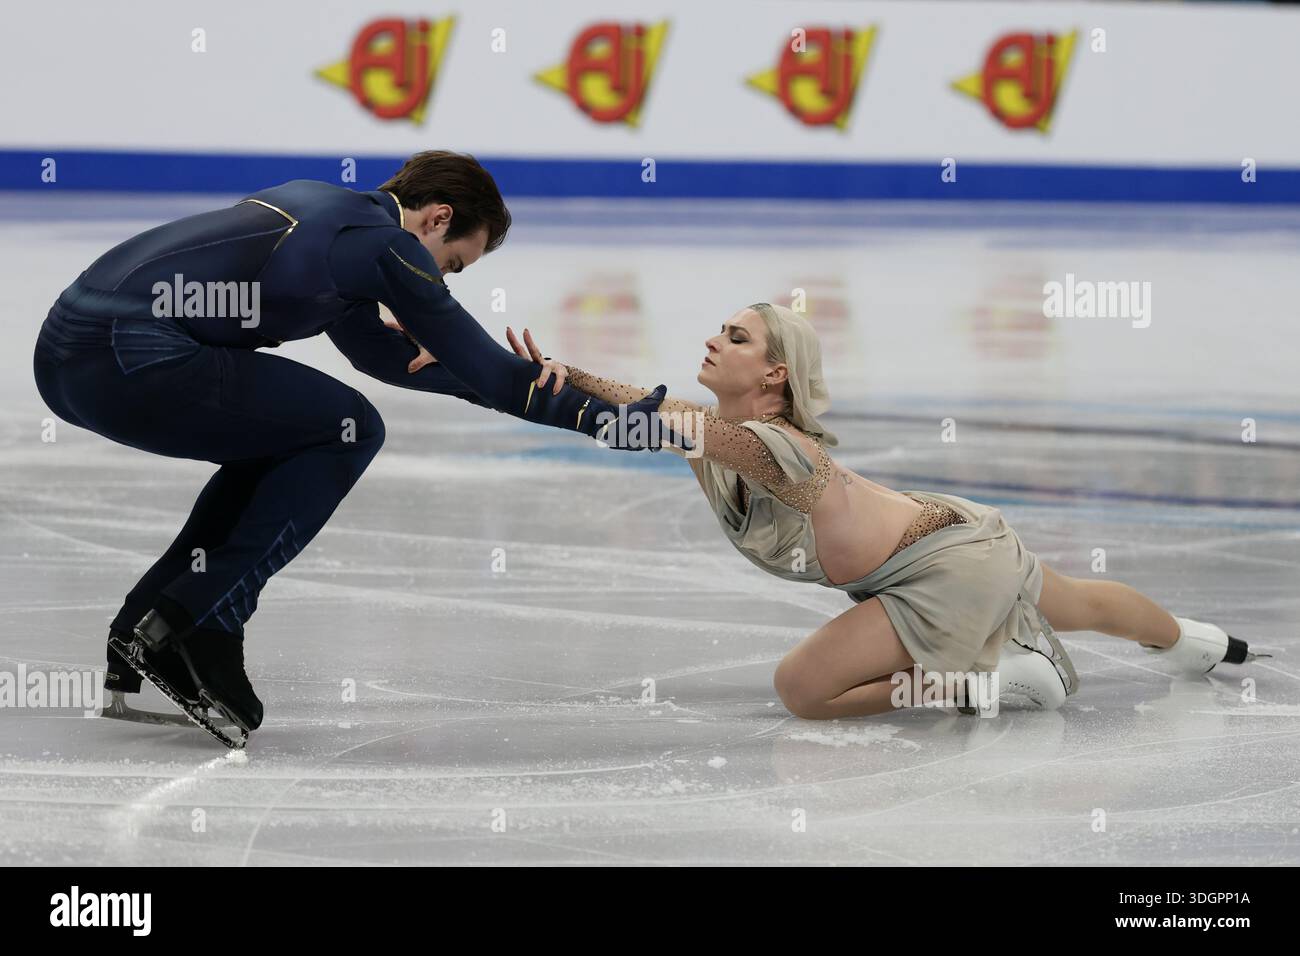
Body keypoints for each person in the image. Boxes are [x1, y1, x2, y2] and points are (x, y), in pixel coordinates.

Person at [32, 151, 675, 746]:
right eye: (452, 264)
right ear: (438, 217)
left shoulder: (324, 210)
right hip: (132, 357)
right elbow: (477, 364)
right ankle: (201, 618)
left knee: (293, 436)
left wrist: (520, 385)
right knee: (350, 429)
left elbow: (391, 357)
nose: (440, 277)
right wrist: (602, 421)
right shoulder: (383, 246)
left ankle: (152, 620)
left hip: (69, 356)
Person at [393, 303, 1267, 718]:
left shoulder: (768, 446)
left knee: (803, 691)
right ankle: (1202, 644)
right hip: (954, 533)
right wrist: (537, 372)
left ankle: (988, 681)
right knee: (1081, 601)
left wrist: (504, 380)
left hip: (942, 569)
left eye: (734, 338)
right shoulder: (725, 427)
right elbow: (635, 404)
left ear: (773, 376)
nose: (711, 341)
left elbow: (644, 423)